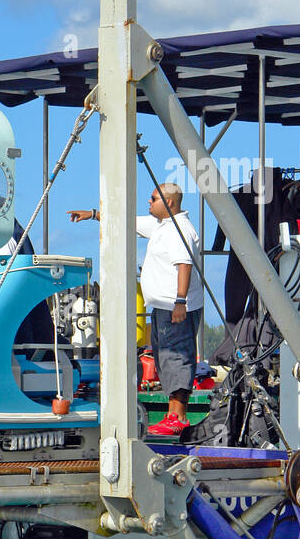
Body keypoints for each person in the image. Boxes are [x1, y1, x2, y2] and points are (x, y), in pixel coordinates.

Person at [68, 182, 203, 435]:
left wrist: (180, 302)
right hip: (164, 306)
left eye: (153, 199)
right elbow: (128, 221)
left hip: (175, 307)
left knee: (177, 356)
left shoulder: (179, 230)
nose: (149, 202)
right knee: (165, 357)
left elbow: (184, 265)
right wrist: (94, 215)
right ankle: (172, 415)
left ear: (170, 203)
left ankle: (179, 417)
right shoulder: (162, 226)